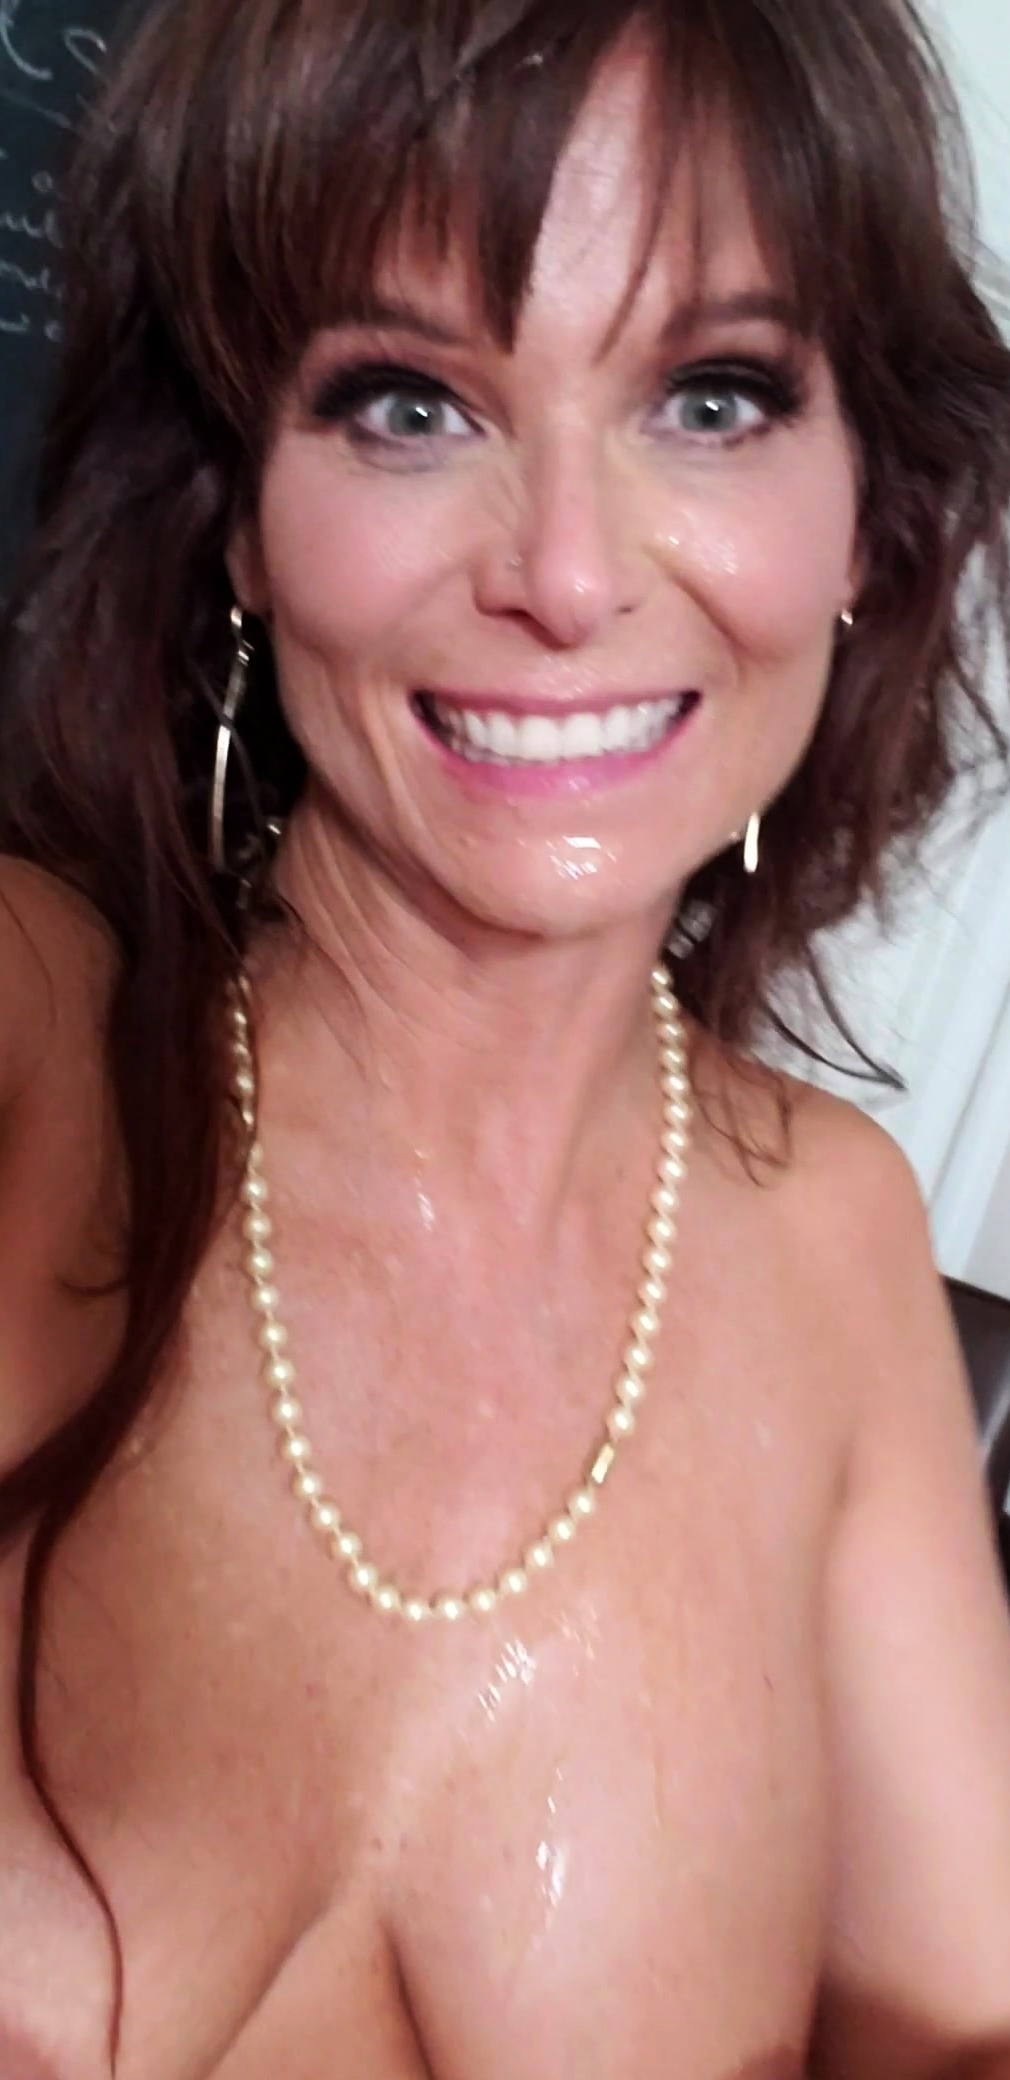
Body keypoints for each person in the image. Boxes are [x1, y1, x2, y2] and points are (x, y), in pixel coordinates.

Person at [2, 0, 1010, 2072]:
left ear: (863, 519)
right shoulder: (32, 1037)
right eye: (408, 405)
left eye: (712, 398)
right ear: (236, 510)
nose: (564, 573)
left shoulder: (832, 1236)